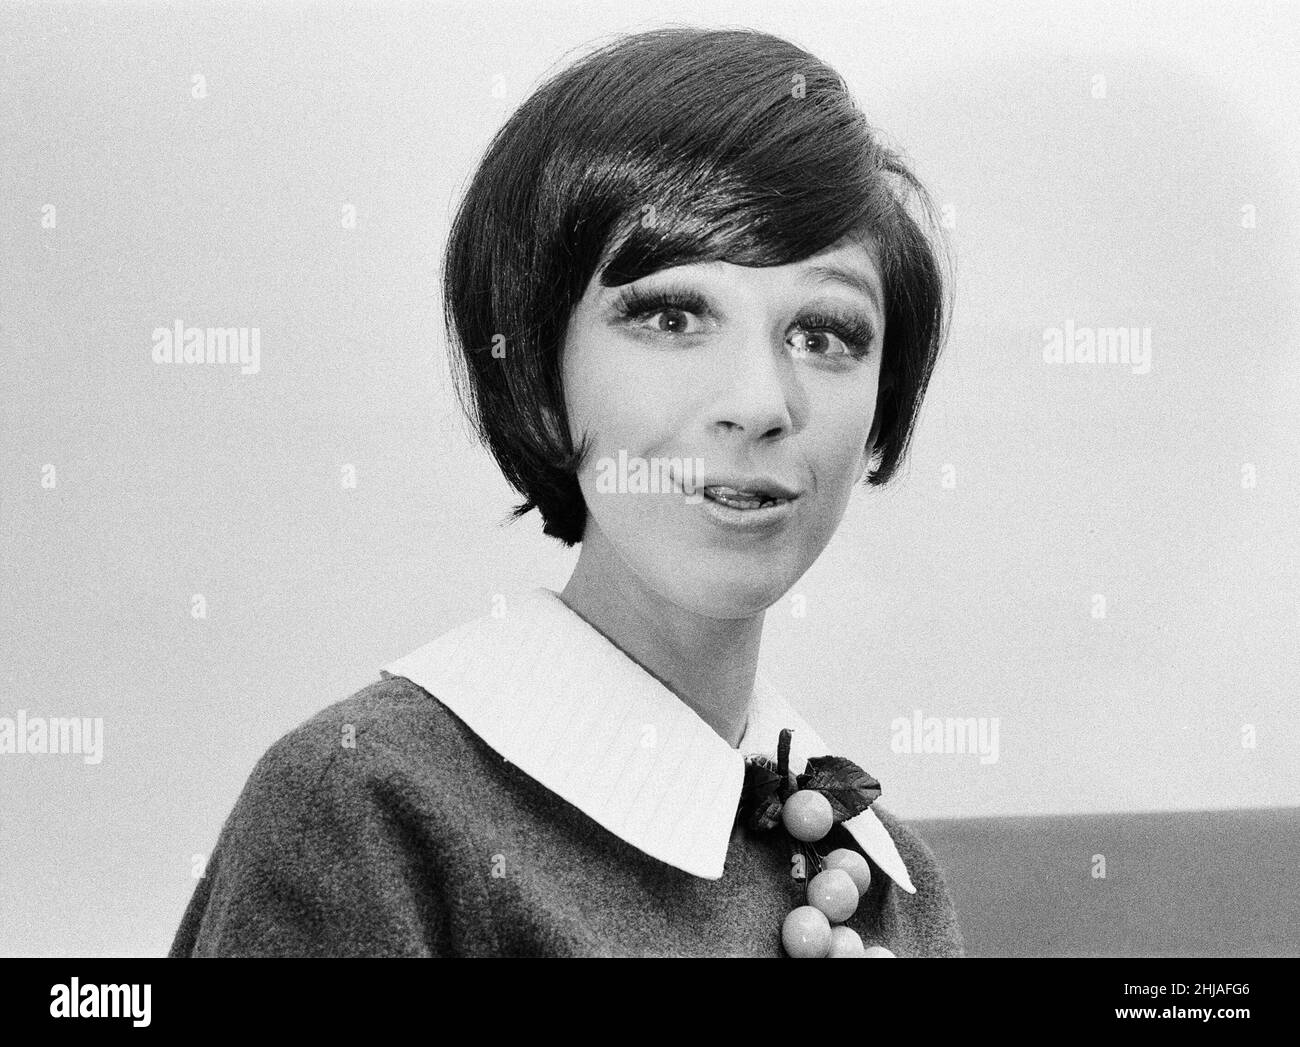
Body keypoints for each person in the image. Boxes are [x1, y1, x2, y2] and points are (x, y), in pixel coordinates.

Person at [170, 25, 964, 958]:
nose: (759, 404)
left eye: (826, 334)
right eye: (672, 316)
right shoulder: (369, 808)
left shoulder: (877, 879)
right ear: (542, 376)